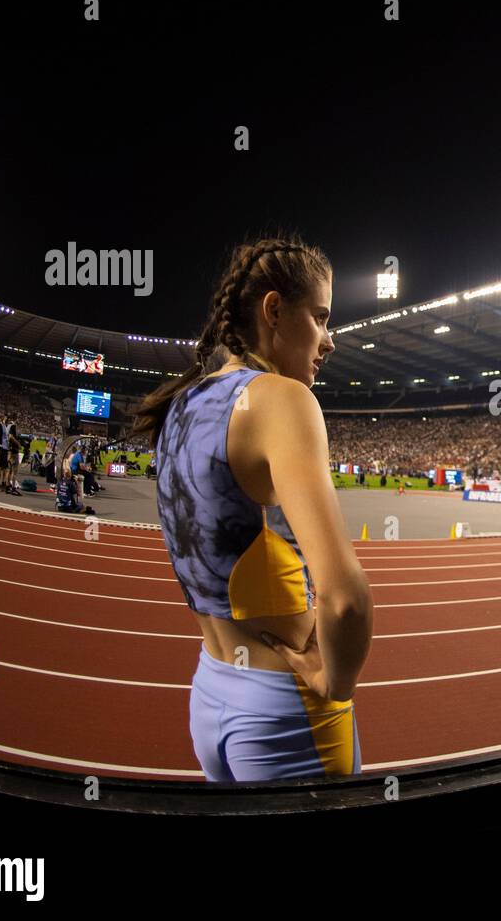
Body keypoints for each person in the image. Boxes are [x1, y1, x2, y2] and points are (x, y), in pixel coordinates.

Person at [131, 235, 373, 782]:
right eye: (320, 317)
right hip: (285, 715)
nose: (329, 341)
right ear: (274, 310)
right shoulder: (281, 399)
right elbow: (347, 600)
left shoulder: (181, 403)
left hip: (211, 690)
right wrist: (335, 685)